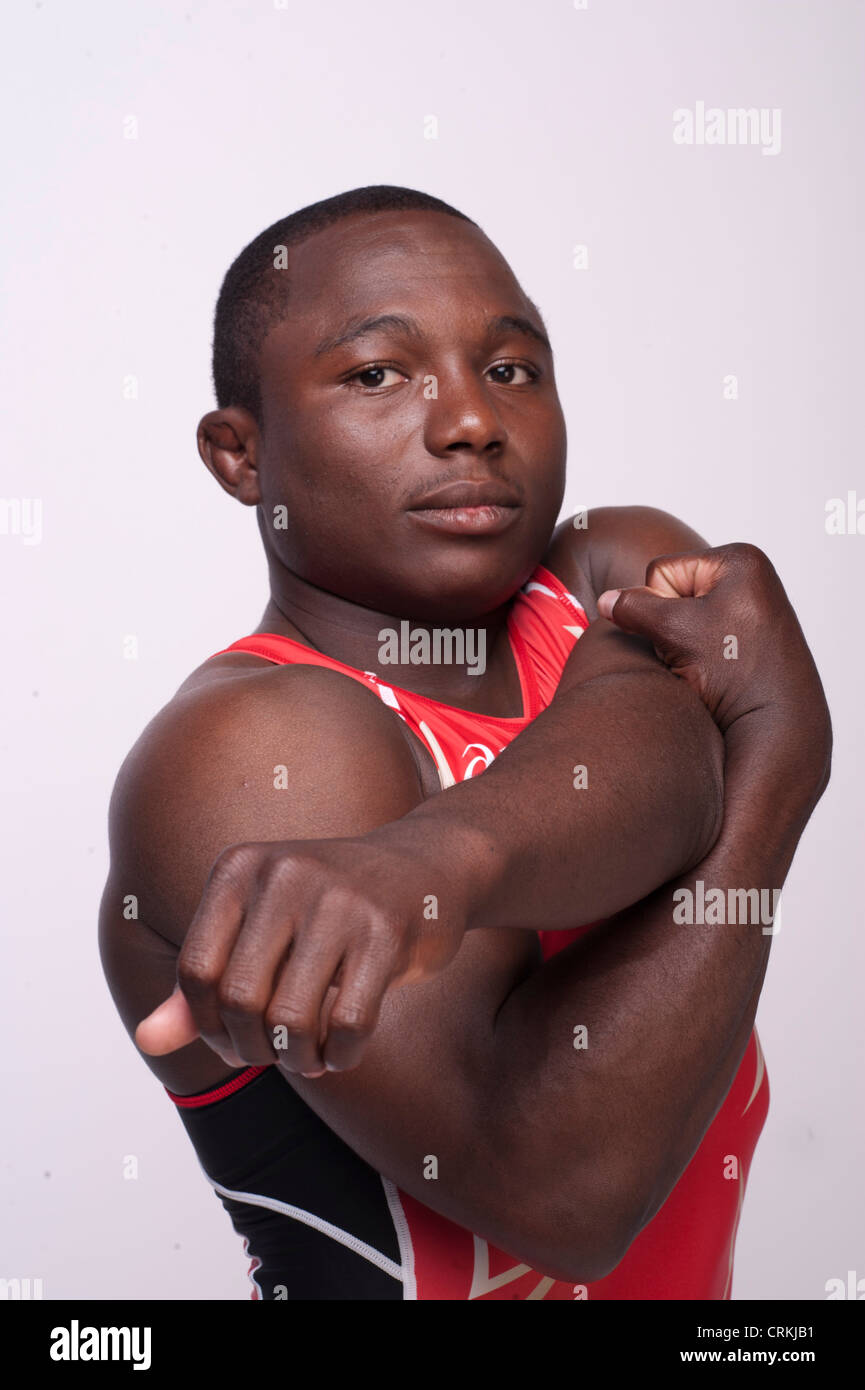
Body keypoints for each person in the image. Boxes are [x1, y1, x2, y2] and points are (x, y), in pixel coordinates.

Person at [98, 185, 831, 1300]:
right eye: (378, 374)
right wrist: (775, 765)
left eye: (510, 369)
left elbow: (663, 765)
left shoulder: (610, 563)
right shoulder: (246, 752)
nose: (470, 421)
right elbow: (565, 1191)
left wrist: (430, 862)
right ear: (240, 456)